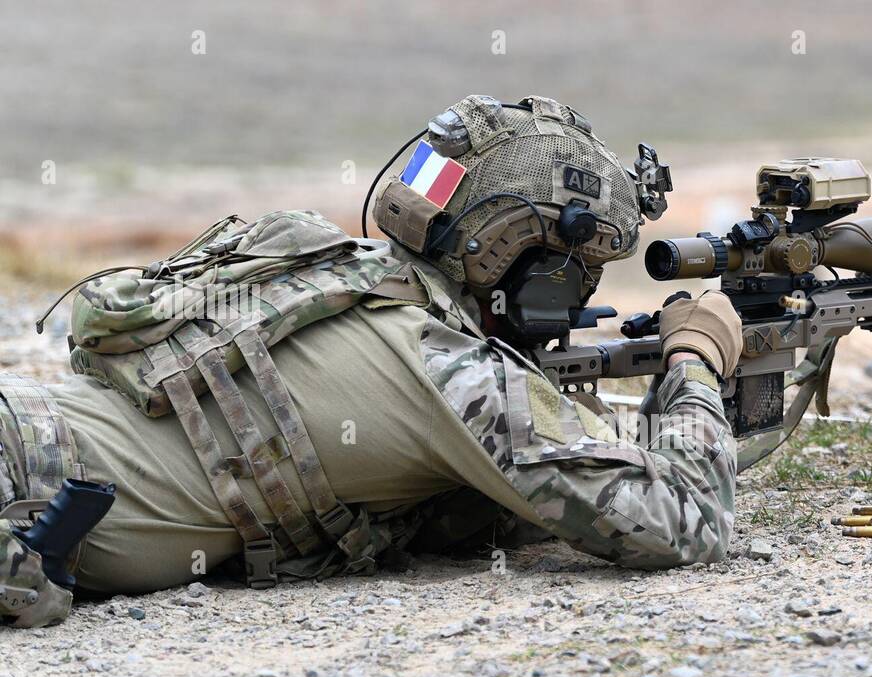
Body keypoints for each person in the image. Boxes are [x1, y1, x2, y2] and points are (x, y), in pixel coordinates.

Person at [0, 95, 742, 628]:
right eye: (580, 268)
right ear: (529, 263)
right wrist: (698, 357)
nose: (581, 289)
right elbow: (688, 518)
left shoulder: (330, 273)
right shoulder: (443, 365)